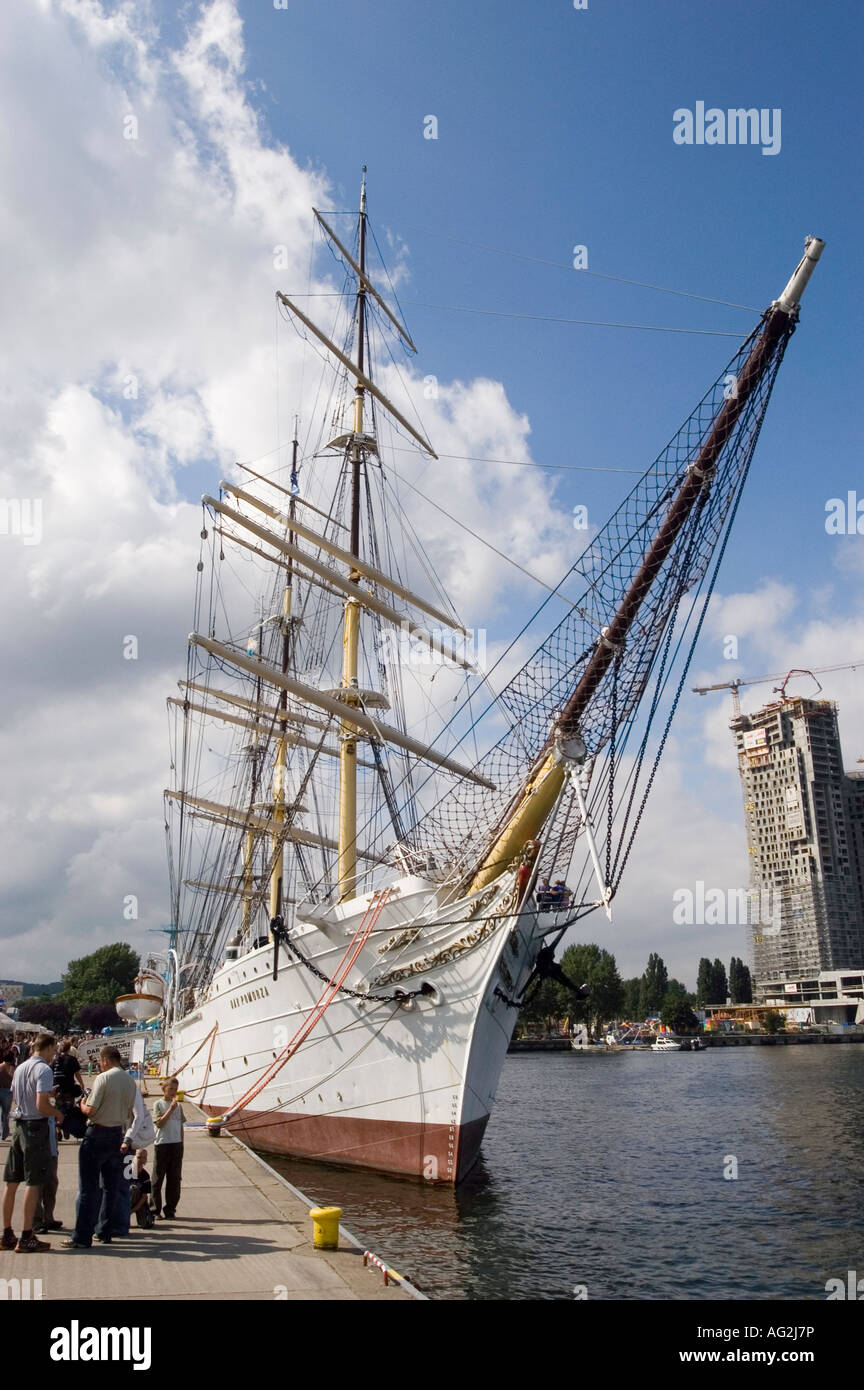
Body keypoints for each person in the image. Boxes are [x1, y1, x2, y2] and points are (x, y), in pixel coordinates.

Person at [62, 1046, 137, 1251]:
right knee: (111, 1188)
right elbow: (130, 1109)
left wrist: (82, 1104)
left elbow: (91, 1111)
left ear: (105, 1060)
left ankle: (82, 1235)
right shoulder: (130, 1081)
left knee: (89, 1188)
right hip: (116, 1134)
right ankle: (104, 1231)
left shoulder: (103, 1079)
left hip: (98, 1133)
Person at [1, 1034, 62, 1253]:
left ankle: (7, 1232)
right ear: (48, 1048)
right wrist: (57, 1114)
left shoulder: (20, 1068)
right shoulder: (44, 1069)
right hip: (35, 1126)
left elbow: (18, 1097)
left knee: (11, 1182)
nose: (54, 1054)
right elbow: (41, 1105)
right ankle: (27, 1235)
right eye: (53, 1050)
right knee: (33, 1181)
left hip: (19, 1124)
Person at [151, 1078, 185, 1220]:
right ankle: (155, 1209)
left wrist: (182, 1143)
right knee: (158, 1178)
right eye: (170, 1089)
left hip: (176, 1144)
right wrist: (170, 1110)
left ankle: (170, 1209)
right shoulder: (158, 1104)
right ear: (164, 1089)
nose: (173, 1092)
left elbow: (181, 1125)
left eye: (175, 1090)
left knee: (174, 1179)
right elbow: (159, 1123)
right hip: (162, 1144)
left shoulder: (179, 1106)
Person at [53, 1040, 84, 1141]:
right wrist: (82, 1084)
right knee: (68, 1110)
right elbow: (77, 1073)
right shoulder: (71, 1059)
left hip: (56, 1090)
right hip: (68, 1089)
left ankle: (58, 1130)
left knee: (57, 1110)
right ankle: (66, 1127)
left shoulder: (55, 1060)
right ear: (69, 1049)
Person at [130, 1150, 153, 1228]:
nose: (141, 1160)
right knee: (134, 1189)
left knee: (147, 1223)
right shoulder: (127, 1172)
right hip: (125, 1201)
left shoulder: (145, 1175)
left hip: (138, 1202)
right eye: (138, 1157)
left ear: (146, 1160)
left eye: (144, 1158)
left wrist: (131, 1211)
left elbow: (144, 1197)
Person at [0, 1050, 14, 1140]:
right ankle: (4, 1133)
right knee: (6, 1113)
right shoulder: (11, 1068)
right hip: (7, 1092)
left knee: (1, 1113)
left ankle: (2, 1132)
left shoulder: (0, 1066)